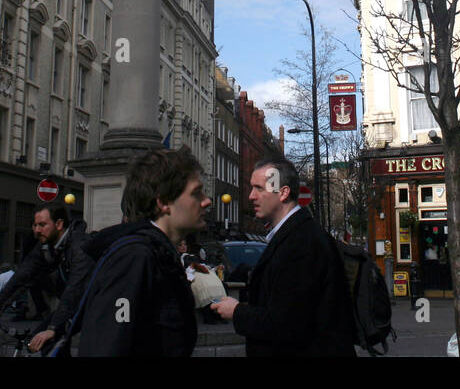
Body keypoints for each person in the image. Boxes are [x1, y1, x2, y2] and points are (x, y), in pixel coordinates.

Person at [210, 157, 356, 357]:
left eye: (259, 188)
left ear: (283, 192)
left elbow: (287, 324)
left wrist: (236, 311)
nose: (251, 196)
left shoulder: (301, 243)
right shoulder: (296, 235)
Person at [77, 148, 211, 356]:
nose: (206, 201)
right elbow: (111, 340)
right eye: (196, 193)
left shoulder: (159, 255)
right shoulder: (134, 259)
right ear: (164, 202)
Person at [0, 204, 91, 353]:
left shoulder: (79, 246)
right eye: (35, 225)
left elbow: (75, 288)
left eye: (42, 225)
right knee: (41, 342)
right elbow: (23, 275)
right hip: (77, 303)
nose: (37, 230)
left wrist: (53, 328)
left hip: (96, 302)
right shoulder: (47, 246)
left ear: (59, 224)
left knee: (67, 342)